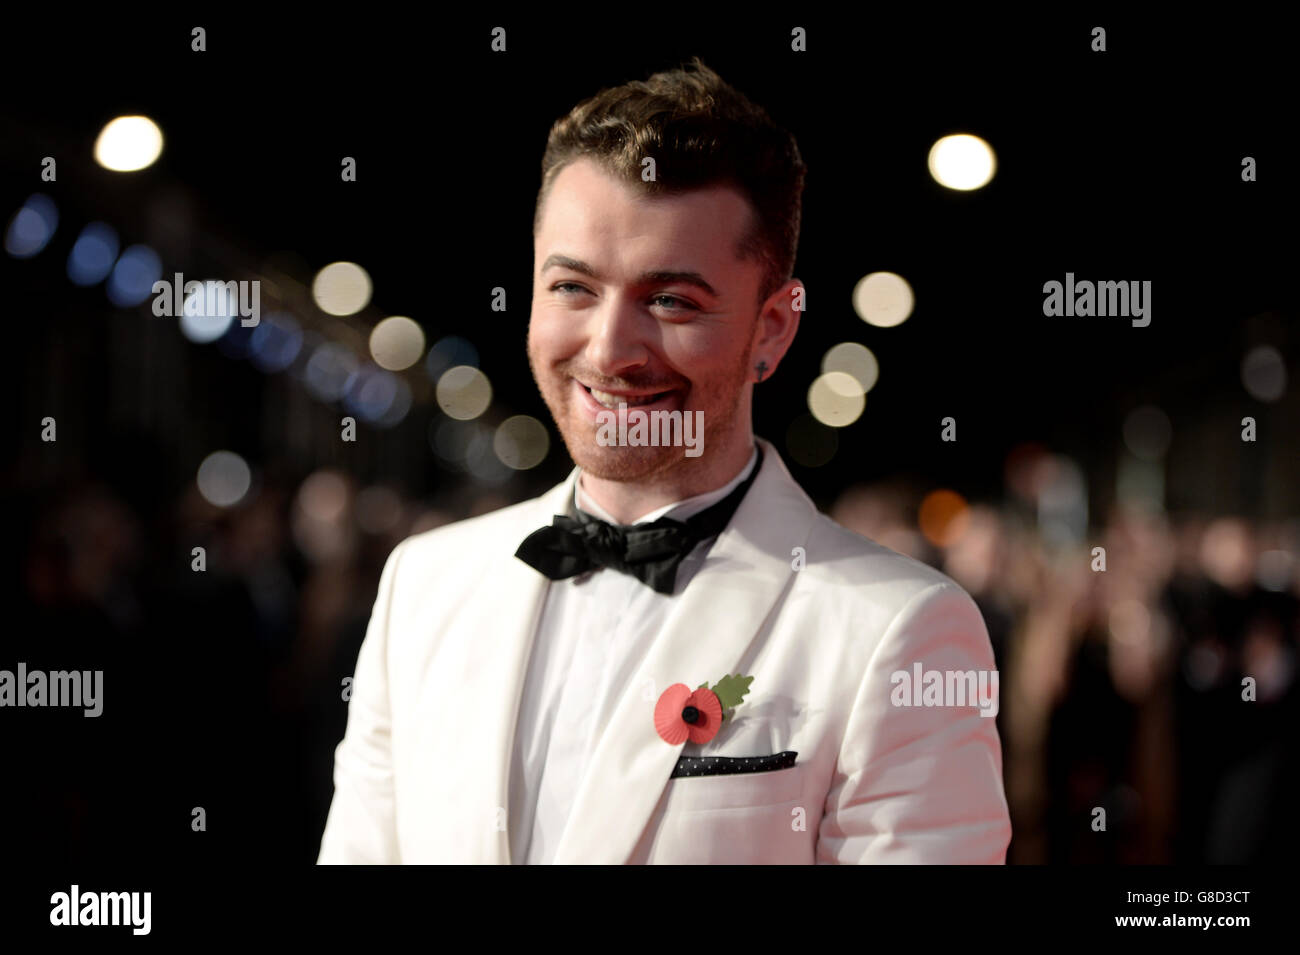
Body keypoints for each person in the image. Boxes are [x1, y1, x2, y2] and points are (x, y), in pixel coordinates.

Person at [317, 57, 1011, 864]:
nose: (611, 350)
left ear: (773, 330)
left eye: (672, 301)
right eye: (573, 287)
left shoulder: (901, 627)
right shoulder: (423, 586)